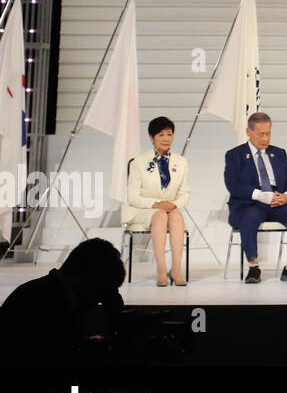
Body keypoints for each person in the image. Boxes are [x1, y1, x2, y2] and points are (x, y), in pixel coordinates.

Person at [0, 237, 125, 364]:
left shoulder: (42, 294)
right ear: (88, 280)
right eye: (100, 294)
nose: (94, 304)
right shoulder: (52, 306)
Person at [224, 112, 287, 283]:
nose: (265, 138)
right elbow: (233, 185)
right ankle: (253, 266)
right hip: (250, 204)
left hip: (277, 204)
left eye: (268, 133)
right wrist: (260, 196)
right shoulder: (235, 155)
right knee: (249, 217)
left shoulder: (278, 153)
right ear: (249, 132)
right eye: (260, 134)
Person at [121, 115, 191, 286]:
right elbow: (133, 197)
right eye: (161, 135)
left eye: (169, 134)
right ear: (152, 138)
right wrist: (156, 204)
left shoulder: (181, 162)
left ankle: (175, 269)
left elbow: (185, 193)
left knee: (176, 217)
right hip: (142, 210)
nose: (166, 139)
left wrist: (174, 204)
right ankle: (161, 269)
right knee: (160, 215)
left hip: (169, 209)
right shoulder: (138, 162)